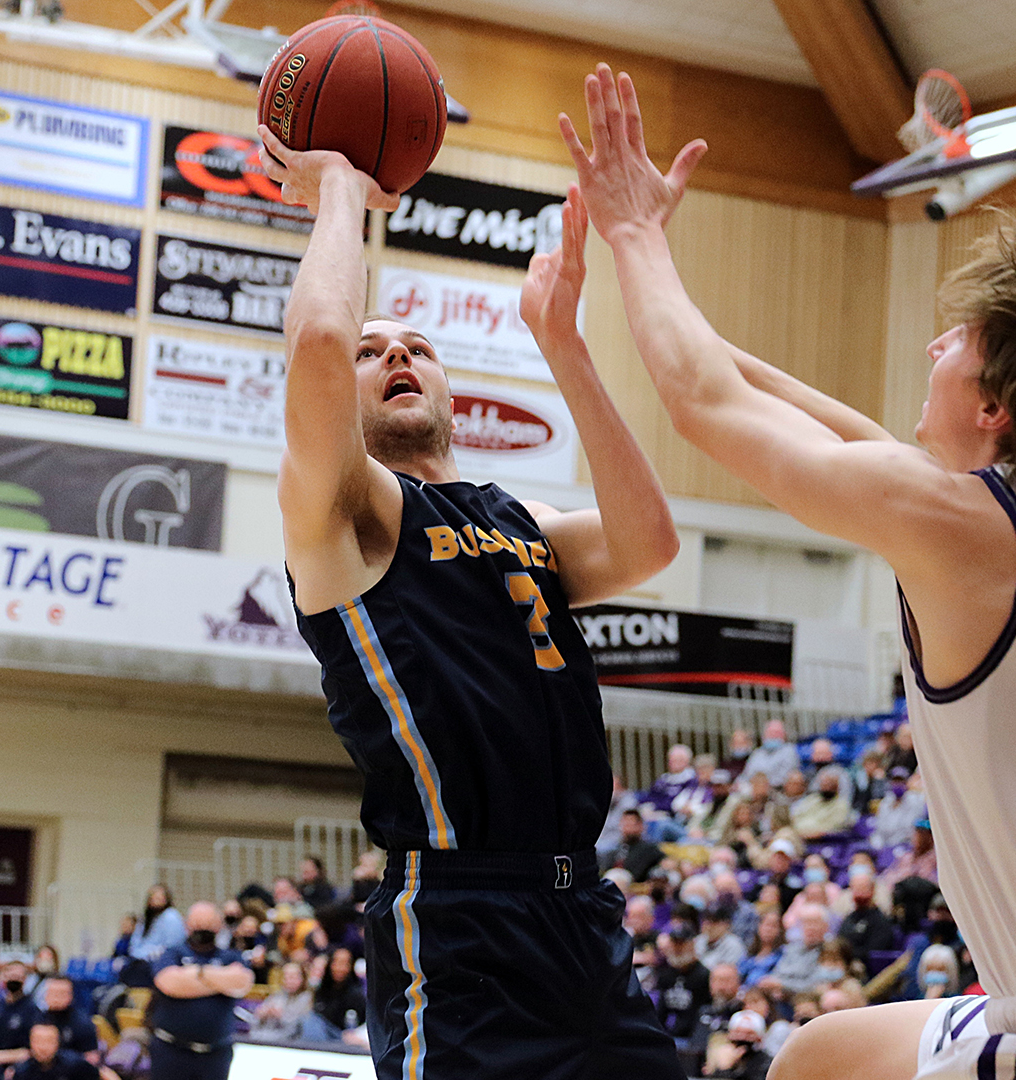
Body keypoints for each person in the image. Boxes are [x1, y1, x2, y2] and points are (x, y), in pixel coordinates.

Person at [567, 64, 1016, 1077]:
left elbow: (702, 405)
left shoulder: (971, 529)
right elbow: (833, 436)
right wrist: (681, 310)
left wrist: (631, 233)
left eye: (963, 342)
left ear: (998, 410)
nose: (937, 341)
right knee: (823, 1053)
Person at [257, 113, 684, 1080]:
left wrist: (564, 345)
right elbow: (319, 336)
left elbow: (649, 542)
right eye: (375, 354)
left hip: (583, 917)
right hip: (457, 929)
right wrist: (338, 186)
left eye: (417, 346)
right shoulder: (351, 515)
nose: (398, 356)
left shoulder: (519, 518)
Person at [147, 903, 251, 1080]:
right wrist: (219, 979)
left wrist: (195, 973)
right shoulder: (172, 953)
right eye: (197, 923)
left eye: (208, 923)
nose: (202, 928)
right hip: (171, 1051)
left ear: (218, 926)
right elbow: (169, 983)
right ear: (187, 924)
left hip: (215, 1054)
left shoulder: (231, 956)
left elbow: (241, 983)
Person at [248, 961, 312, 1042]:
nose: (288, 981)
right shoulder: (276, 996)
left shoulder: (306, 998)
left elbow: (300, 1027)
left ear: (302, 979)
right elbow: (255, 1021)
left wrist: (281, 1016)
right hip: (266, 1036)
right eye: (285, 977)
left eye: (292, 977)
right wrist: (262, 1014)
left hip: (291, 1041)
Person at [7, 1024, 99, 1080]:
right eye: (38, 1041)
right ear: (30, 1043)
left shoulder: (76, 1065)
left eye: (49, 1041)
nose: (43, 1047)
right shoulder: (22, 1071)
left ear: (58, 1043)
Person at [311, 947, 366, 1037]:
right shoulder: (321, 991)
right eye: (336, 962)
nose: (340, 968)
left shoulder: (357, 996)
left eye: (345, 963)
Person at [602, 808, 666, 881]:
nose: (628, 828)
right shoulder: (615, 848)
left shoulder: (649, 848)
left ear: (641, 825)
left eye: (631, 824)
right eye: (625, 824)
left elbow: (663, 862)